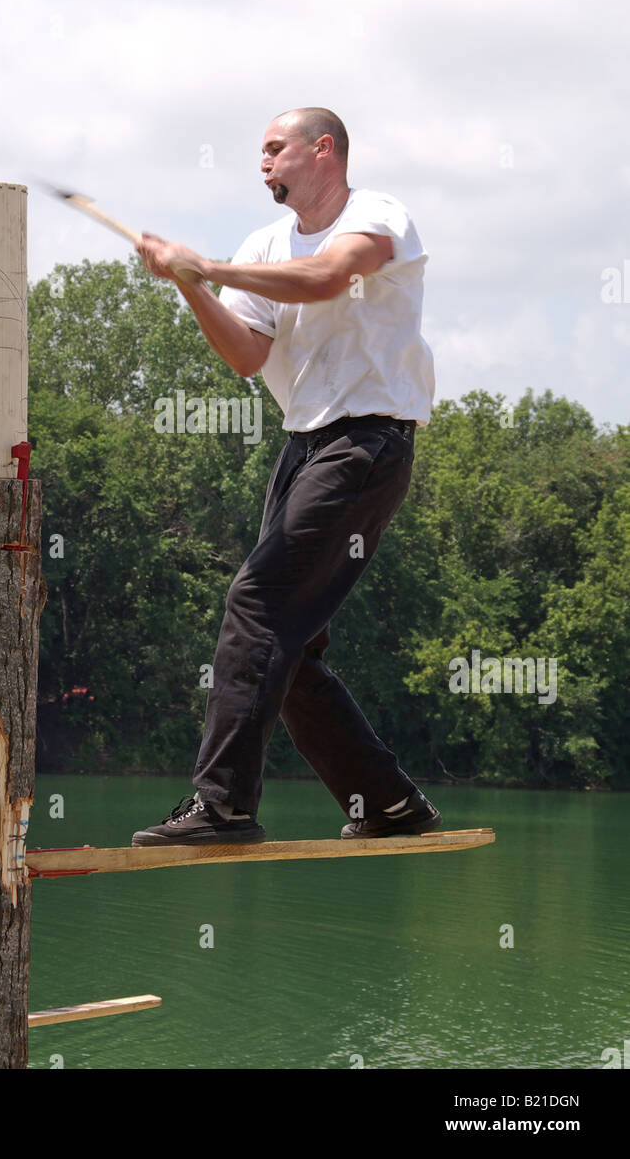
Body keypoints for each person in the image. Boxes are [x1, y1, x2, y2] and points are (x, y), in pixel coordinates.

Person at [133, 107, 439, 845]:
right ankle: (390, 804)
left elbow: (331, 277)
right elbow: (244, 355)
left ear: (322, 149)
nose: (262, 162)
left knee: (259, 601)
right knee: (287, 642)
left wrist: (208, 266)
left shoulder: (376, 214)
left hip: (366, 442)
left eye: (275, 149)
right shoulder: (264, 244)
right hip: (303, 445)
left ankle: (224, 806)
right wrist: (189, 285)